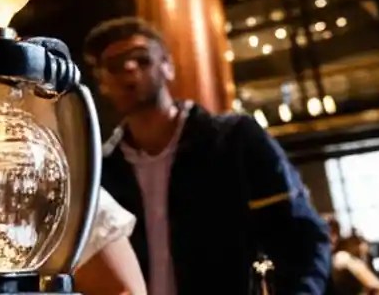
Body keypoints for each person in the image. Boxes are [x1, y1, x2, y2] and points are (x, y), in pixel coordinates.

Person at [86, 18, 330, 295]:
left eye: (142, 59)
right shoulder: (103, 170)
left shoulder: (234, 140)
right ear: (102, 82)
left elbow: (303, 238)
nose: (129, 69)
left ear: (168, 66)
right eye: (115, 65)